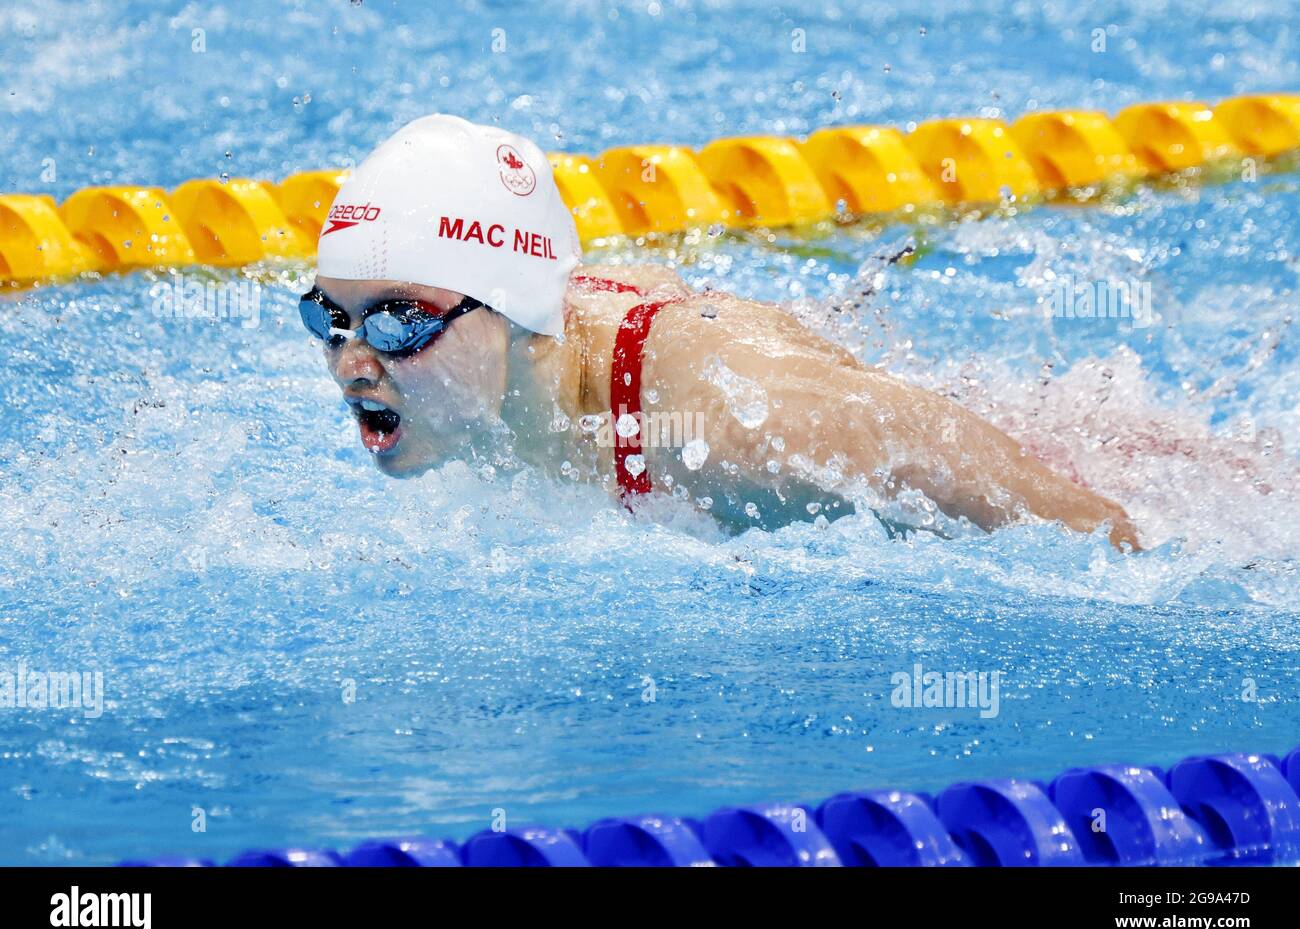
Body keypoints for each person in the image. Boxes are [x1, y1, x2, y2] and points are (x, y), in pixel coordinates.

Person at [303, 114, 1140, 551]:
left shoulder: (731, 420)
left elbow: (999, 479)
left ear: (518, 316)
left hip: (1077, 454)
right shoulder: (492, 388)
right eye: (329, 319)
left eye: (397, 322)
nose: (351, 363)